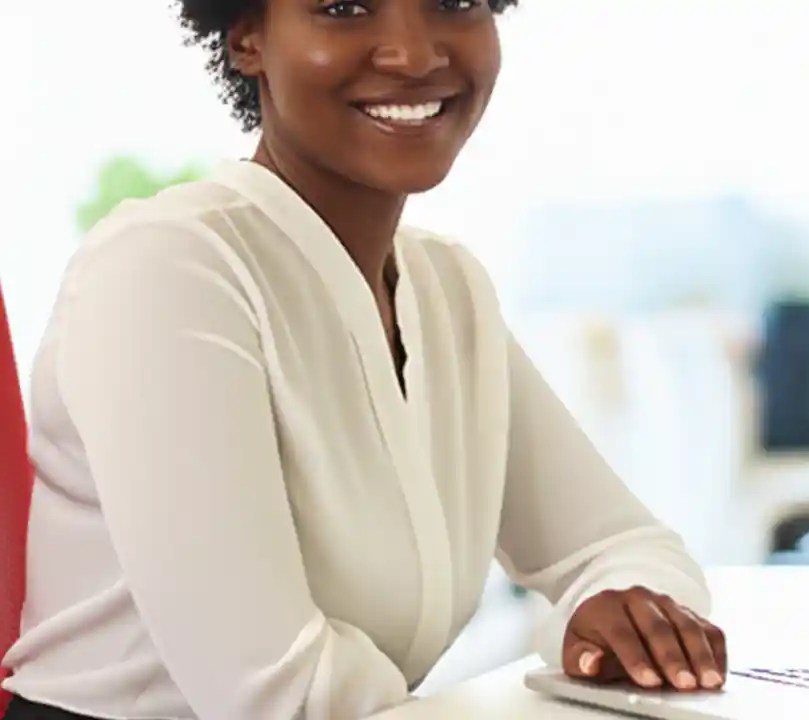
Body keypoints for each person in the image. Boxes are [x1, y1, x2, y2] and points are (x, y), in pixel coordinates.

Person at [0, 1, 727, 718]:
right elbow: (278, 695)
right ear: (248, 38)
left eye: (454, 2)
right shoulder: (169, 269)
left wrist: (616, 626)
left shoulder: (448, 288)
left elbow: (624, 547)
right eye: (344, 7)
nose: (412, 54)